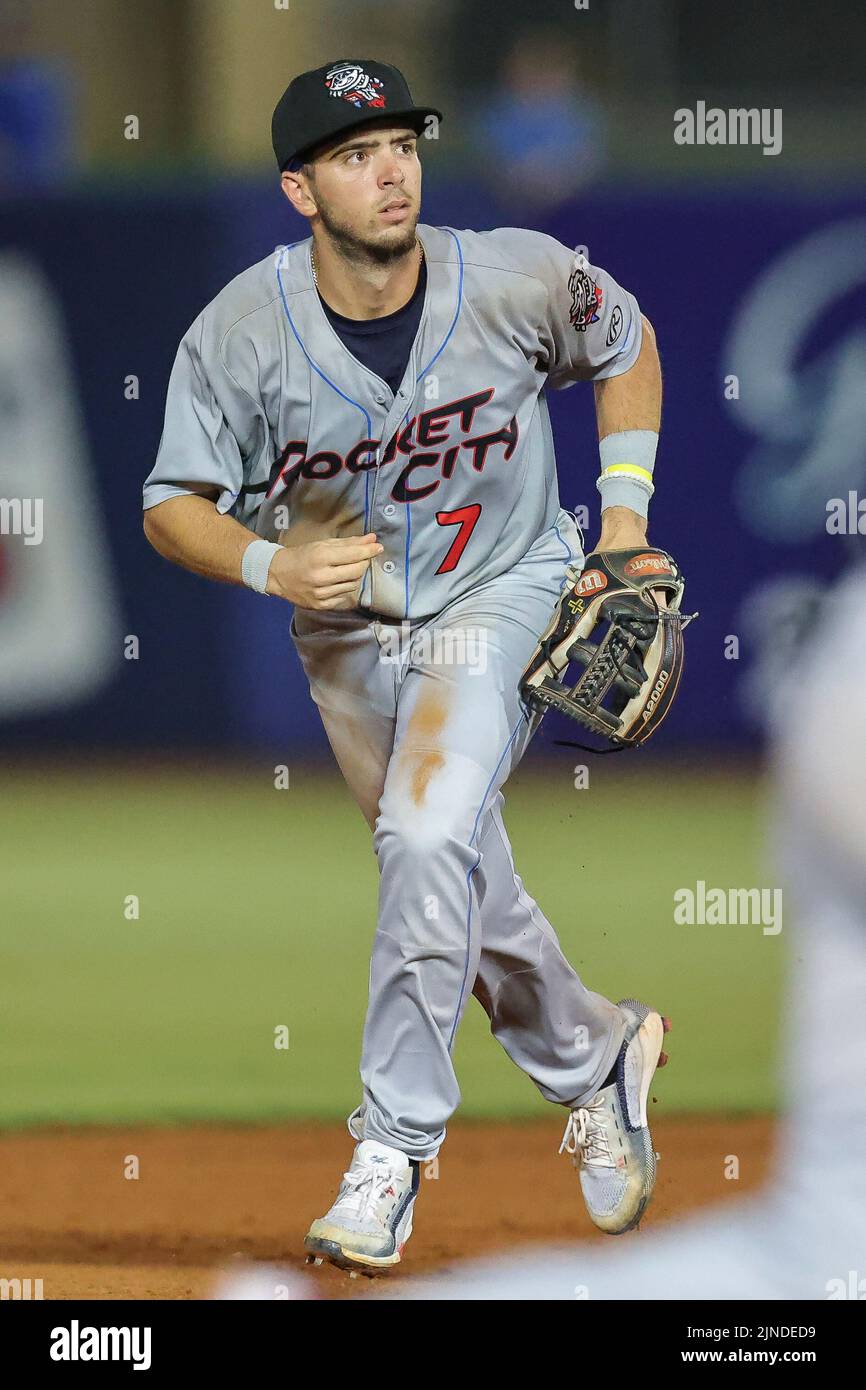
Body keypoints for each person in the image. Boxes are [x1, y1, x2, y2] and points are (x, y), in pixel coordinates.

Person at [142, 58, 671, 1273]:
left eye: (401, 145)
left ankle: (389, 1150)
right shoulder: (238, 329)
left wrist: (625, 519)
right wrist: (268, 566)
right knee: (456, 868)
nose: (389, 170)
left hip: (501, 589)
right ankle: (595, 1052)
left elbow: (624, 339)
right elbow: (172, 500)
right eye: (352, 154)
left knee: (429, 833)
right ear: (298, 190)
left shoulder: (514, 272)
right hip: (344, 633)